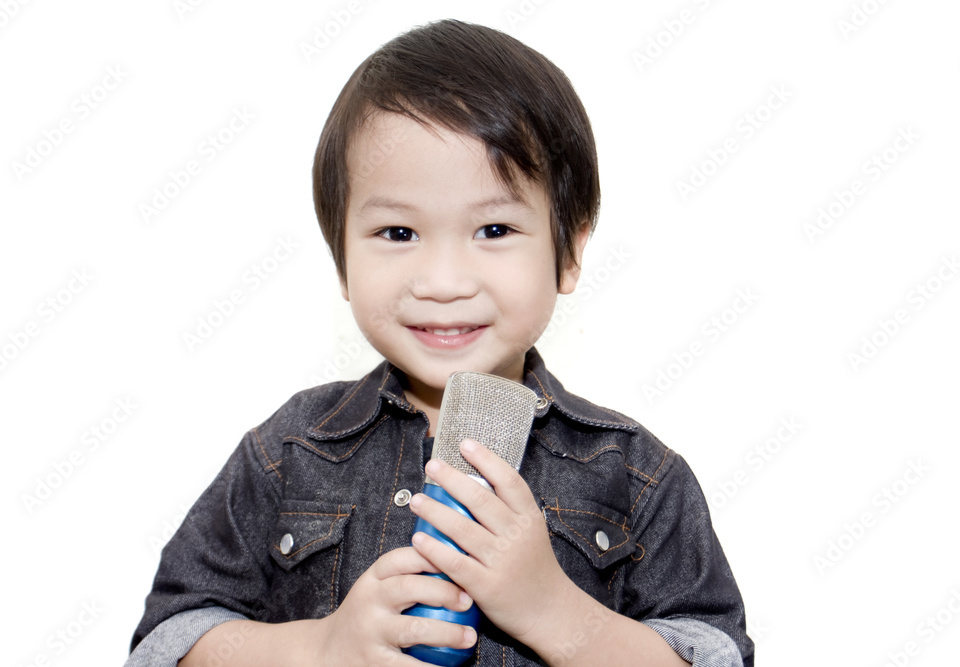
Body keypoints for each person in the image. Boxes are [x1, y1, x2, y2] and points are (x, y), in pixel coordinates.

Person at [127, 19, 754, 666]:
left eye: (493, 228)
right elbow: (166, 642)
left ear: (569, 251)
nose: (444, 281)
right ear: (341, 260)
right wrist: (320, 646)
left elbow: (714, 655)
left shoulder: (636, 476)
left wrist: (554, 612)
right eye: (398, 233)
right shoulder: (289, 452)